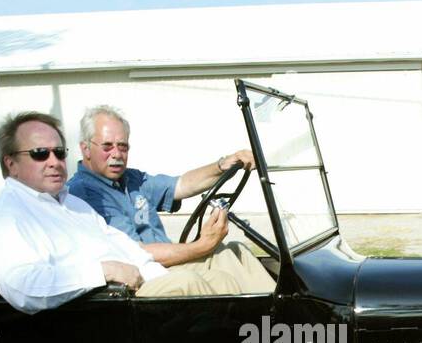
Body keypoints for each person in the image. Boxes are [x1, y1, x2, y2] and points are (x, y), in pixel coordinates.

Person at [0, 112, 274, 314]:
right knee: (191, 288)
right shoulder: (3, 219)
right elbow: (24, 288)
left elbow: (128, 249)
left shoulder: (70, 205)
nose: (53, 161)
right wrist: (102, 271)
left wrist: (155, 274)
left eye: (58, 152)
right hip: (98, 312)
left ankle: (285, 340)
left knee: (223, 280)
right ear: (10, 163)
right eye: (40, 153)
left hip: (133, 291)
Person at [67, 105, 273, 292]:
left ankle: (281, 319)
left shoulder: (131, 179)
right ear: (86, 148)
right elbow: (134, 253)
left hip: (165, 265)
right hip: (139, 278)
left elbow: (181, 185)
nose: (117, 154)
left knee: (234, 252)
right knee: (199, 277)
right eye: (107, 146)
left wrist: (222, 165)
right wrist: (201, 246)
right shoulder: (83, 194)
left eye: (123, 146)